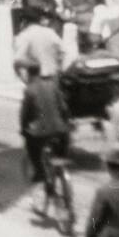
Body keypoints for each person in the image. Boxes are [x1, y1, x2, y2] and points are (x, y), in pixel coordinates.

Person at [18, 56, 70, 189]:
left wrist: (23, 129)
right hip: (61, 130)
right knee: (61, 148)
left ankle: (40, 172)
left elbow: (25, 114)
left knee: (31, 145)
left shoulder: (29, 90)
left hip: (40, 133)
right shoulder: (53, 85)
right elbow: (64, 108)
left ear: (28, 73)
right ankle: (60, 167)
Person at [13, 8, 64, 80]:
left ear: (24, 21)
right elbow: (64, 52)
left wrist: (37, 65)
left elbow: (18, 60)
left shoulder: (25, 35)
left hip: (36, 80)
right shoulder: (50, 32)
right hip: (54, 80)